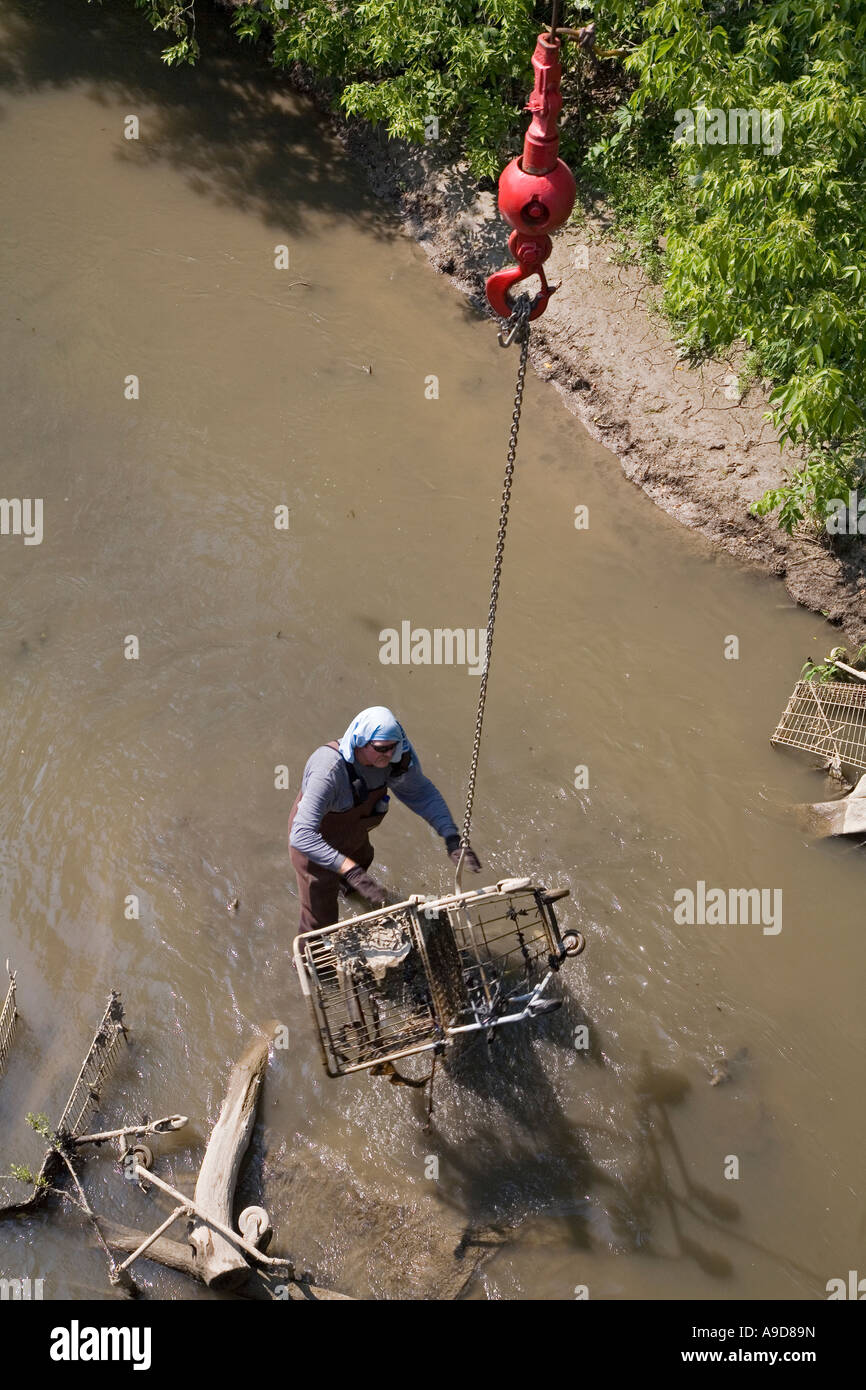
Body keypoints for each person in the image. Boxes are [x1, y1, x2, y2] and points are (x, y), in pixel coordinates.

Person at [289, 706, 481, 933]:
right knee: (320, 920)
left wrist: (451, 836)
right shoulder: (329, 771)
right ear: (360, 742)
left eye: (394, 747)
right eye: (382, 749)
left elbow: (422, 794)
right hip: (314, 845)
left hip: (353, 836)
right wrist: (351, 871)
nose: (390, 755)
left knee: (362, 870)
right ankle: (312, 963)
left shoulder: (395, 758)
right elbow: (301, 836)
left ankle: (351, 895)